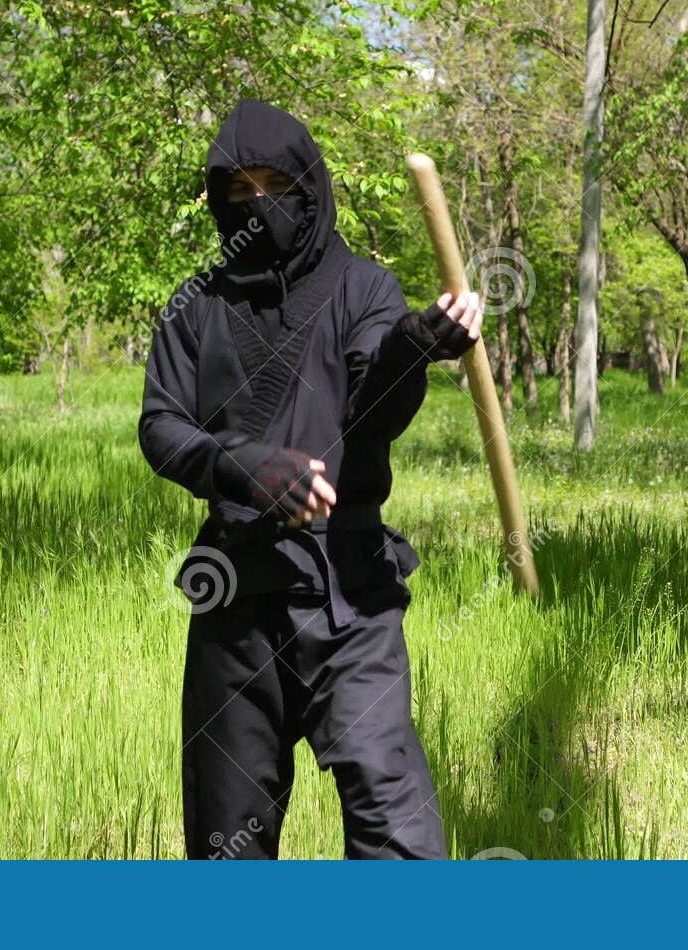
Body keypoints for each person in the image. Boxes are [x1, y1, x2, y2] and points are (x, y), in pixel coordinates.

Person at [139, 99, 482, 859]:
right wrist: (246, 468)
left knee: (395, 833)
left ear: (312, 186)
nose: (257, 205)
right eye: (237, 191)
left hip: (349, 594)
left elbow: (373, 409)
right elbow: (161, 428)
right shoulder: (197, 306)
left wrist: (414, 346)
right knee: (230, 845)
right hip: (234, 598)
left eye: (274, 184)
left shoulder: (364, 289)